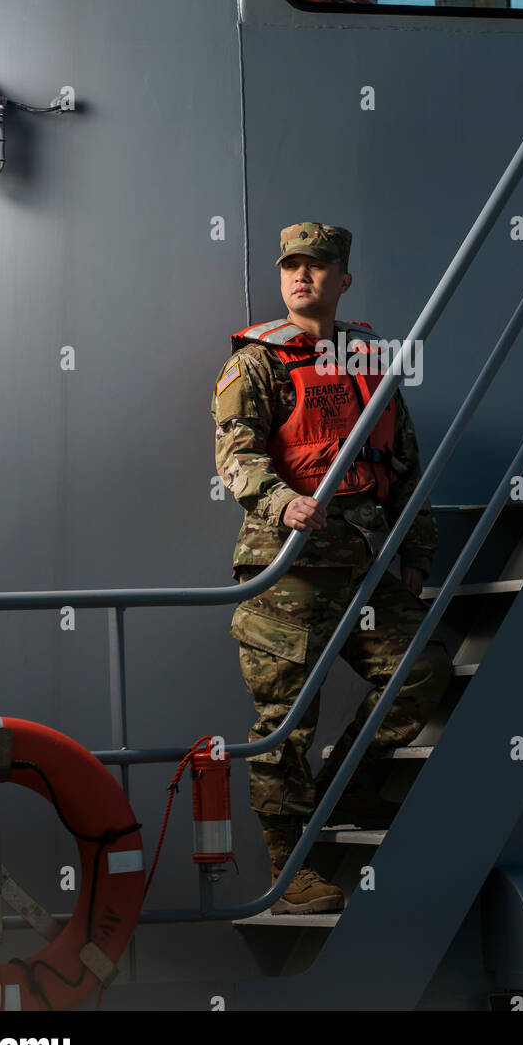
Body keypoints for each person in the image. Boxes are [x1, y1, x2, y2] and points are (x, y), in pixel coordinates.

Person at [211, 222, 452, 914]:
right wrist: (281, 499)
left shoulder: (371, 362)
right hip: (287, 572)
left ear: (342, 280)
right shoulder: (254, 363)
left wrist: (417, 553)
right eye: (292, 265)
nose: (301, 277)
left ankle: (343, 792)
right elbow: (236, 454)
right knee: (287, 722)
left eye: (317, 267)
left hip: (363, 565)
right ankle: (293, 876)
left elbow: (404, 462)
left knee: (422, 670)